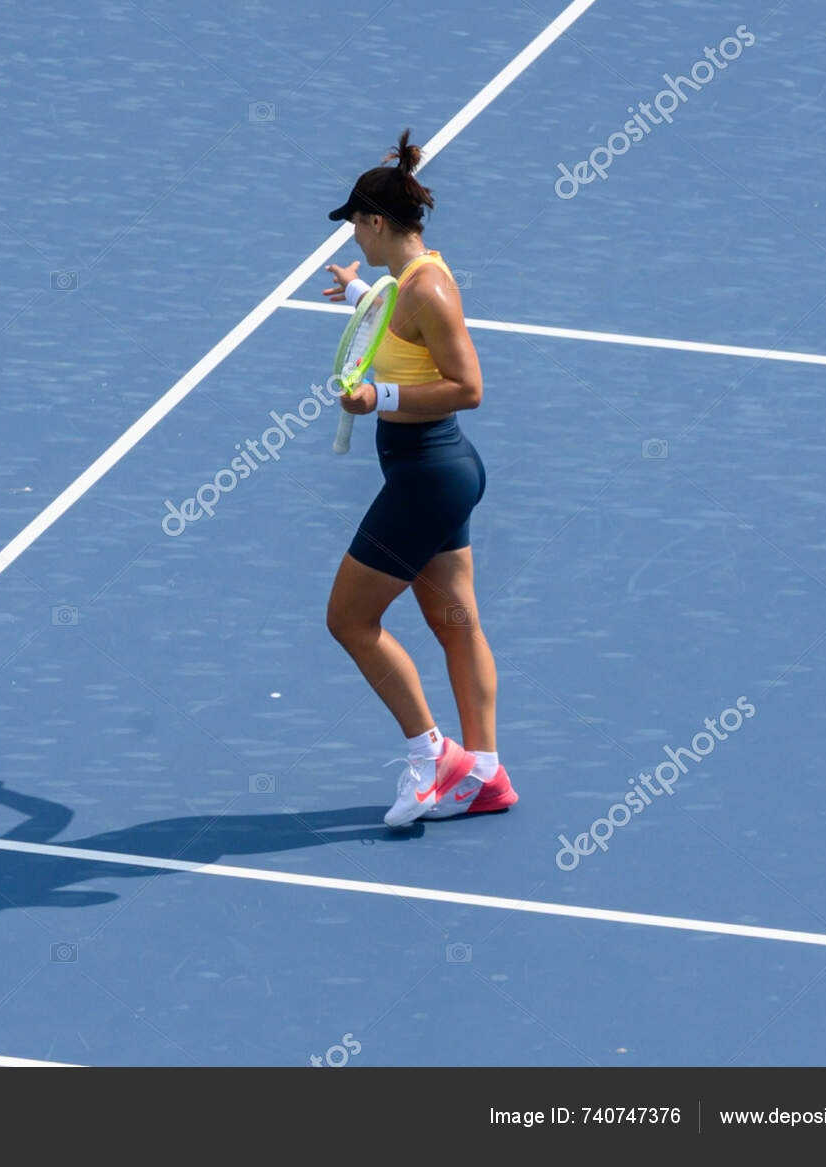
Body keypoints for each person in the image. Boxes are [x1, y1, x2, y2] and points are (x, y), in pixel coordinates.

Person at [322, 129, 517, 827]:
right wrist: (356, 295)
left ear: (377, 222)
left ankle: (433, 754)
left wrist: (380, 400)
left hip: (429, 476)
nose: (353, 244)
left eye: (354, 229)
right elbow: (397, 329)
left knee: (349, 617)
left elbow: (468, 387)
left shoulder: (428, 288)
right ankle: (487, 775)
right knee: (453, 621)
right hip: (439, 473)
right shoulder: (406, 282)